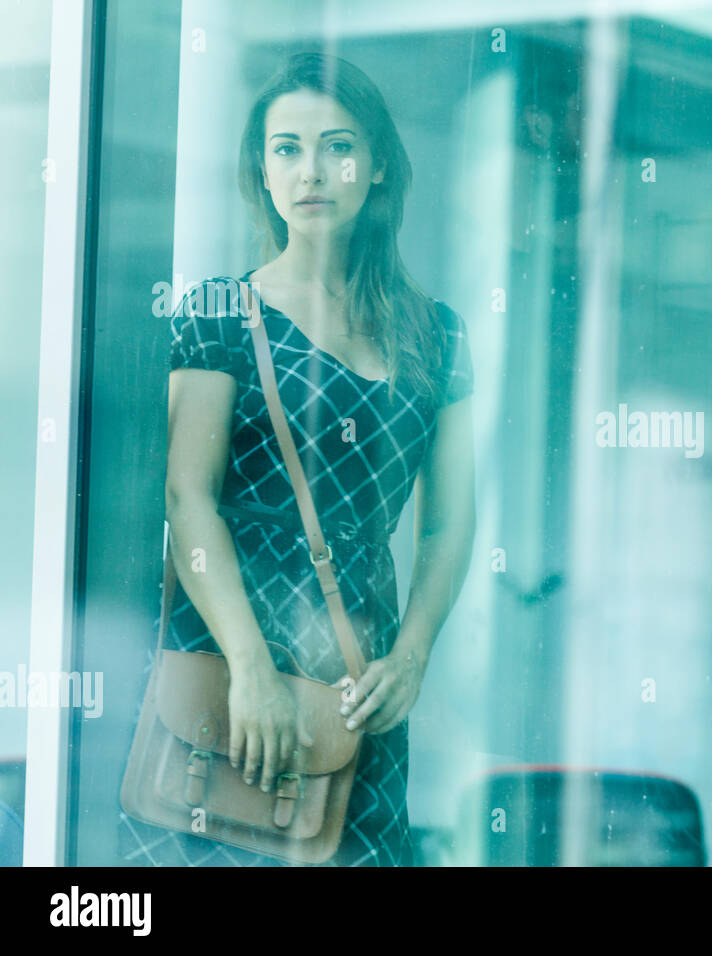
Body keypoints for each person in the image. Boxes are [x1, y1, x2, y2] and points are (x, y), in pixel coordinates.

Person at [118, 52, 476, 866]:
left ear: (379, 163)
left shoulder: (439, 334)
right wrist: (249, 667)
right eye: (286, 148)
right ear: (262, 168)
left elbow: (452, 522)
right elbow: (188, 497)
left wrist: (413, 654)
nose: (311, 170)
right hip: (224, 670)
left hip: (360, 686)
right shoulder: (220, 310)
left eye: (338, 145)